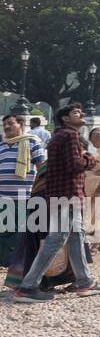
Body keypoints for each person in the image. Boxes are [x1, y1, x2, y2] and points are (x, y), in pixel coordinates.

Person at [12, 104, 100, 302]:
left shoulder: (58, 136)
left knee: (76, 236)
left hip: (62, 194)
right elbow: (75, 165)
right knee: (57, 239)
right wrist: (90, 160)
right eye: (76, 112)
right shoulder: (70, 135)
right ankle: (28, 287)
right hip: (68, 195)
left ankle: (84, 282)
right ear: (65, 118)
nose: (81, 114)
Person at [1, 112, 46, 266]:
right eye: (4, 124)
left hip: (24, 196)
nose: (6, 127)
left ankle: (17, 263)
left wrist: (39, 191)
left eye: (10, 123)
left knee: (20, 233)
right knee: (4, 231)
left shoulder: (32, 142)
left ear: (21, 125)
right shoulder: (2, 146)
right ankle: (5, 262)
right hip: (3, 197)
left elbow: (41, 168)